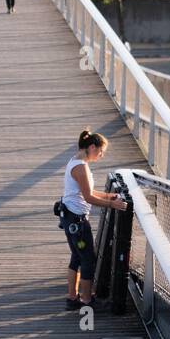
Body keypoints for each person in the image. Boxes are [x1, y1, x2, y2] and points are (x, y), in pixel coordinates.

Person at [59, 130, 127, 311]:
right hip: (78, 222)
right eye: (100, 151)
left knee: (76, 257)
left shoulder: (75, 161)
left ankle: (72, 298)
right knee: (88, 259)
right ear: (91, 147)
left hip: (70, 218)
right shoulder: (80, 167)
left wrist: (109, 196)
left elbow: (85, 192)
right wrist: (113, 205)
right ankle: (87, 300)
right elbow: (88, 197)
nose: (101, 155)